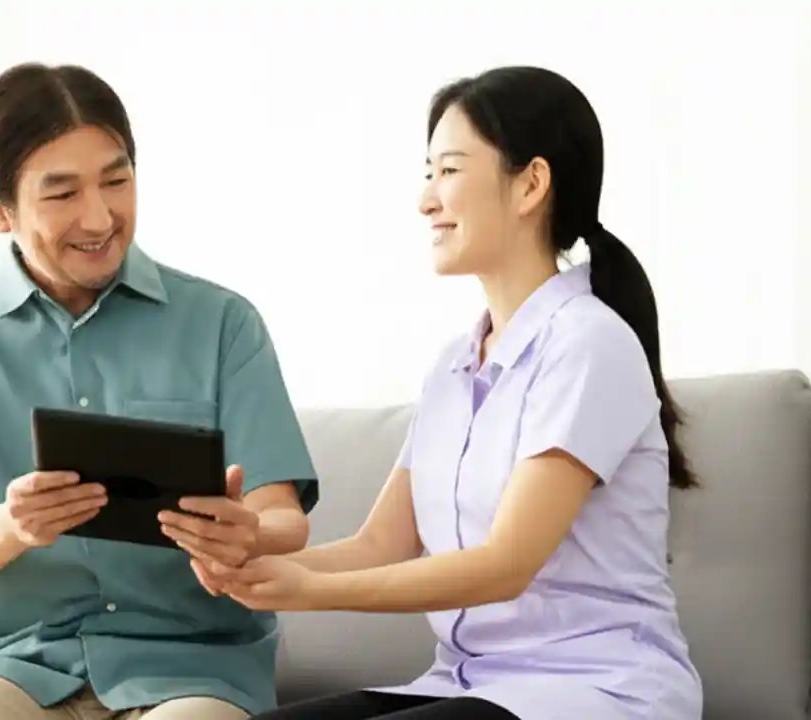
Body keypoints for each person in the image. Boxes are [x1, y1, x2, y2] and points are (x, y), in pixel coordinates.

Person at [195, 66, 704, 720]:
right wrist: (255, 570)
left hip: (595, 690)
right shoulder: (454, 366)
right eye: (428, 172)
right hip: (467, 685)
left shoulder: (589, 345)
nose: (426, 199)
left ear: (530, 184)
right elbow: (380, 544)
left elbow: (504, 566)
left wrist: (305, 591)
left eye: (449, 171)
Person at [0, 62, 318, 720]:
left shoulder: (224, 326)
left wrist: (246, 534)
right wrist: (14, 526)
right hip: (22, 668)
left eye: (117, 180)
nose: (100, 216)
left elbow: (285, 520)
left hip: (195, 673)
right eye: (62, 193)